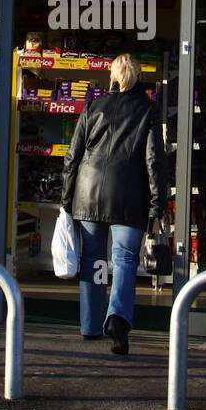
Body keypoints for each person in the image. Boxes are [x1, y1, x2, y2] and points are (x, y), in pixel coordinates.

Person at [60, 53, 166, 354]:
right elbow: (154, 160)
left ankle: (91, 325)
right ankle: (117, 320)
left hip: (89, 191)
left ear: (113, 76)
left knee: (93, 259)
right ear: (138, 76)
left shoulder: (93, 106)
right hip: (129, 196)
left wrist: (66, 199)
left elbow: (73, 156)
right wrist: (158, 203)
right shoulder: (147, 109)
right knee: (124, 260)